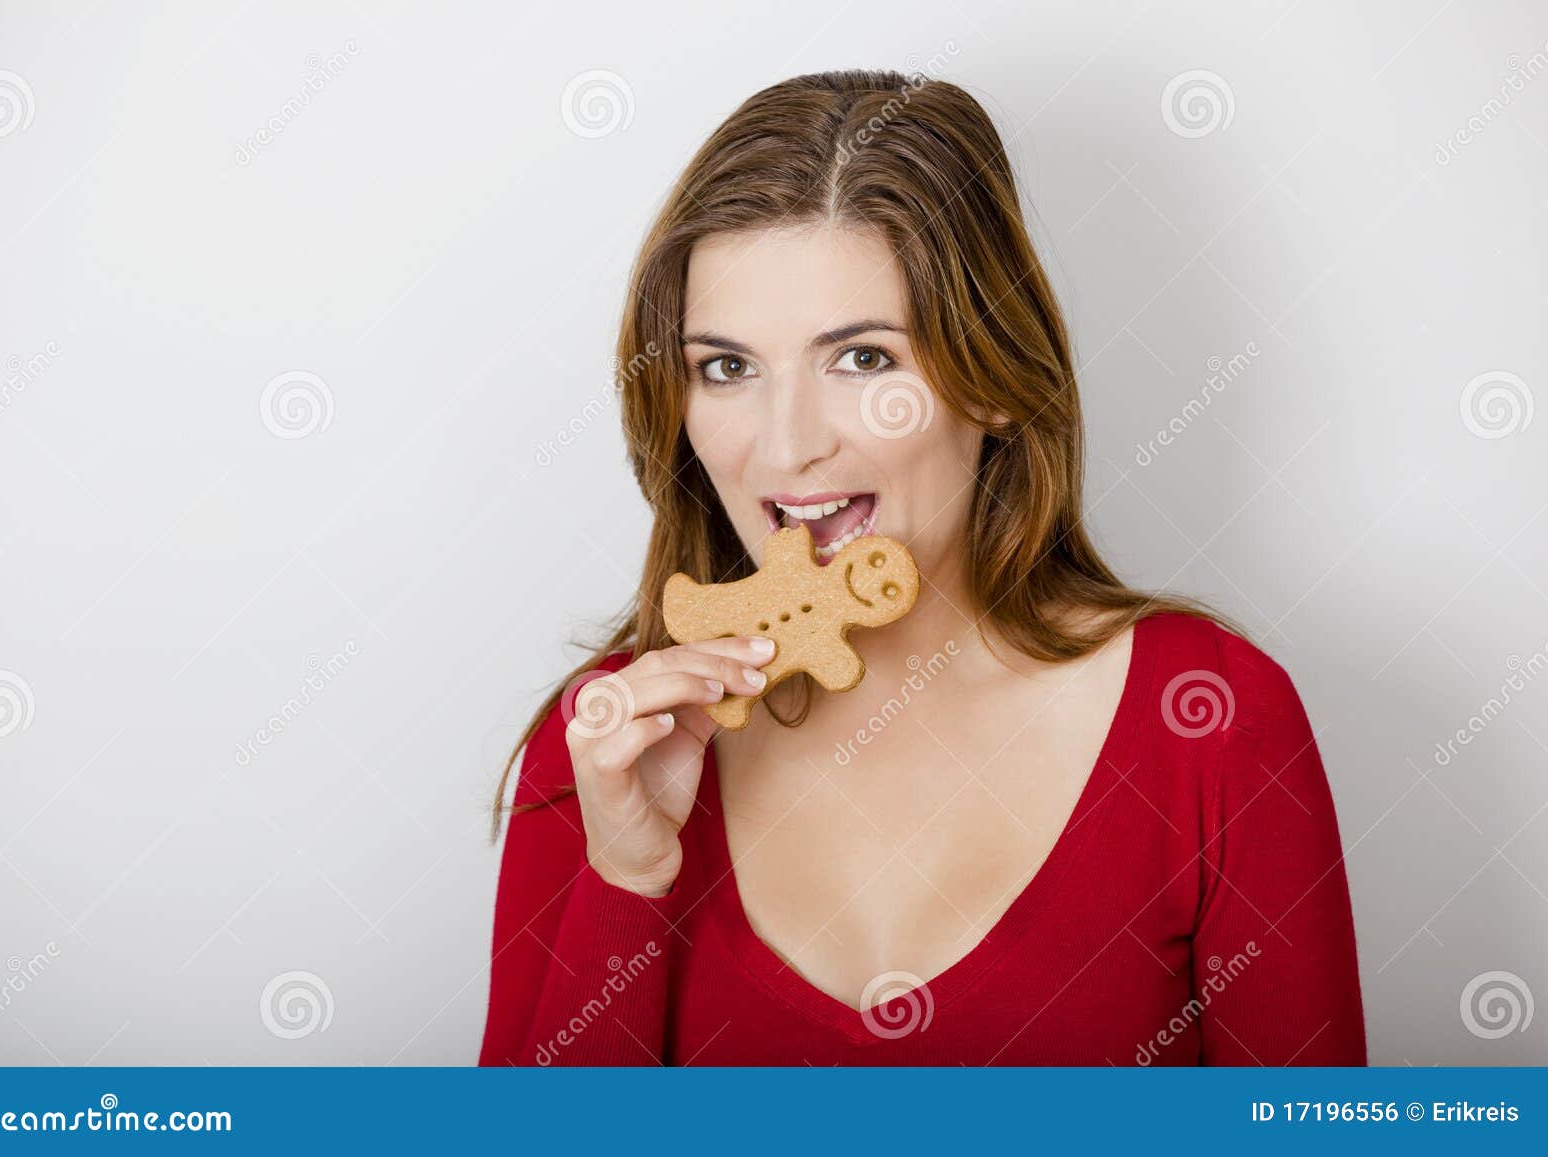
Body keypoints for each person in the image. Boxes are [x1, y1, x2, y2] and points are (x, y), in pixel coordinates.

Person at [480, 69, 1366, 1065]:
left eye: (860, 359)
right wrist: (624, 880)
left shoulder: (1209, 719)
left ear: (990, 377)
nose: (783, 447)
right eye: (726, 367)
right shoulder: (612, 741)